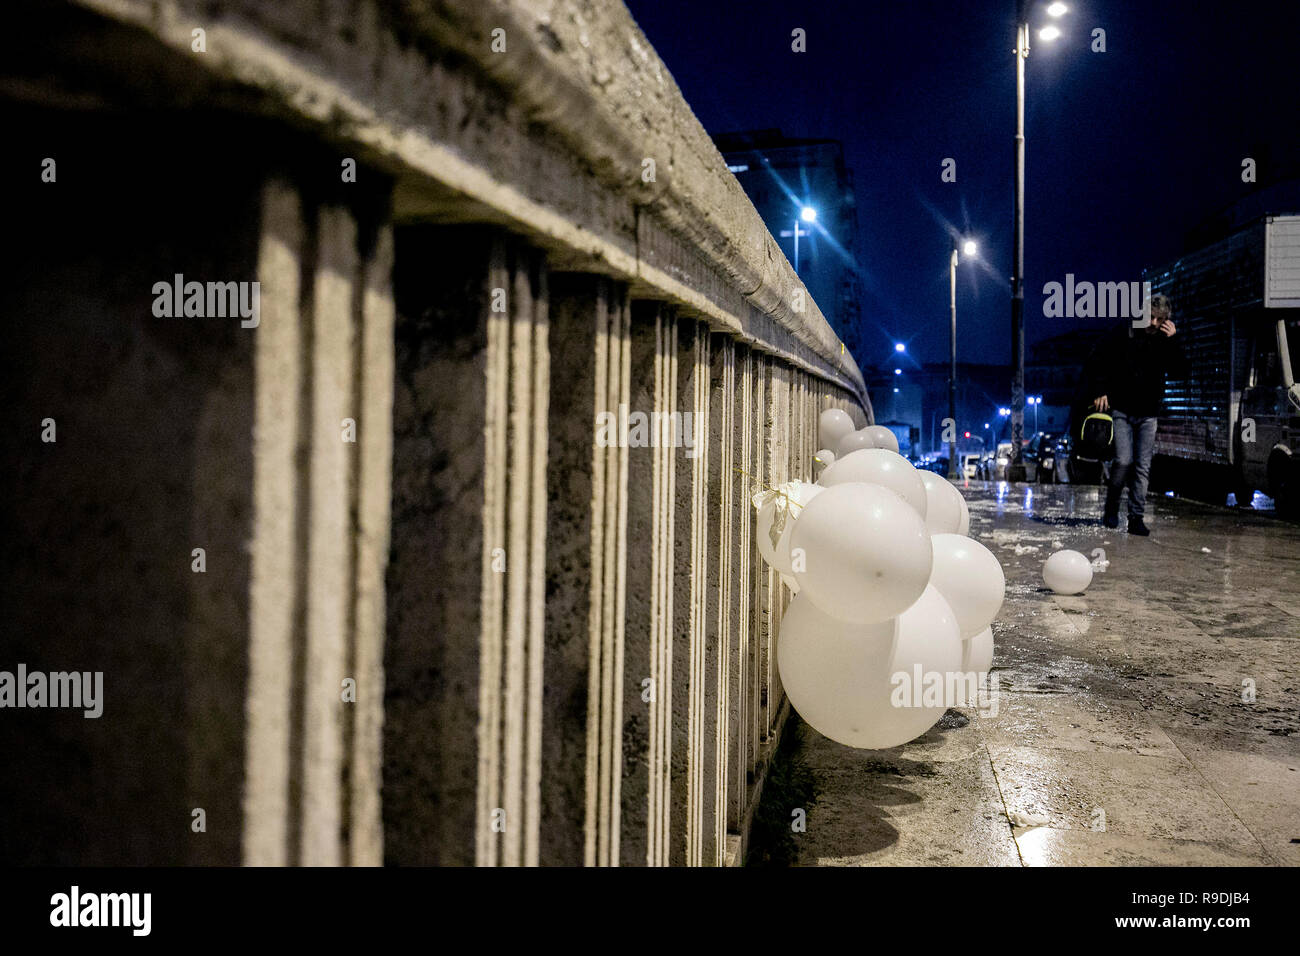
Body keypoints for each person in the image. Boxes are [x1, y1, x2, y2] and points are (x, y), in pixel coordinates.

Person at [1087, 294, 1185, 535]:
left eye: (1159, 319)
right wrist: (1100, 390)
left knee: (1142, 466)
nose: (1153, 323)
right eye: (1150, 317)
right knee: (1123, 461)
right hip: (1122, 409)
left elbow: (1180, 371)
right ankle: (1111, 510)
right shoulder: (1124, 332)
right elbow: (1098, 359)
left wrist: (1174, 341)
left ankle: (1136, 518)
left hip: (1149, 413)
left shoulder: (1165, 340)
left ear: (1166, 320)